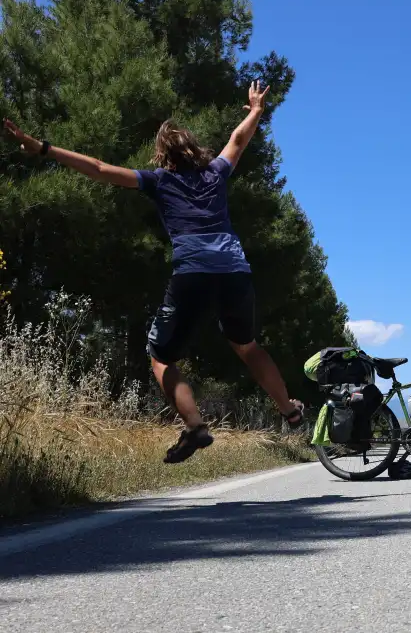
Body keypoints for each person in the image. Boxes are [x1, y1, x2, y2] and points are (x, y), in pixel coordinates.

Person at [3, 81, 306, 463]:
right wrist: (256, 109)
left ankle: (195, 426)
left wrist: (43, 147)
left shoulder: (158, 180)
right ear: (194, 149)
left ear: (163, 154)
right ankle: (289, 410)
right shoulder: (215, 173)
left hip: (193, 273)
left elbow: (98, 168)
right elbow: (238, 139)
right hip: (234, 269)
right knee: (247, 346)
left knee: (161, 357)